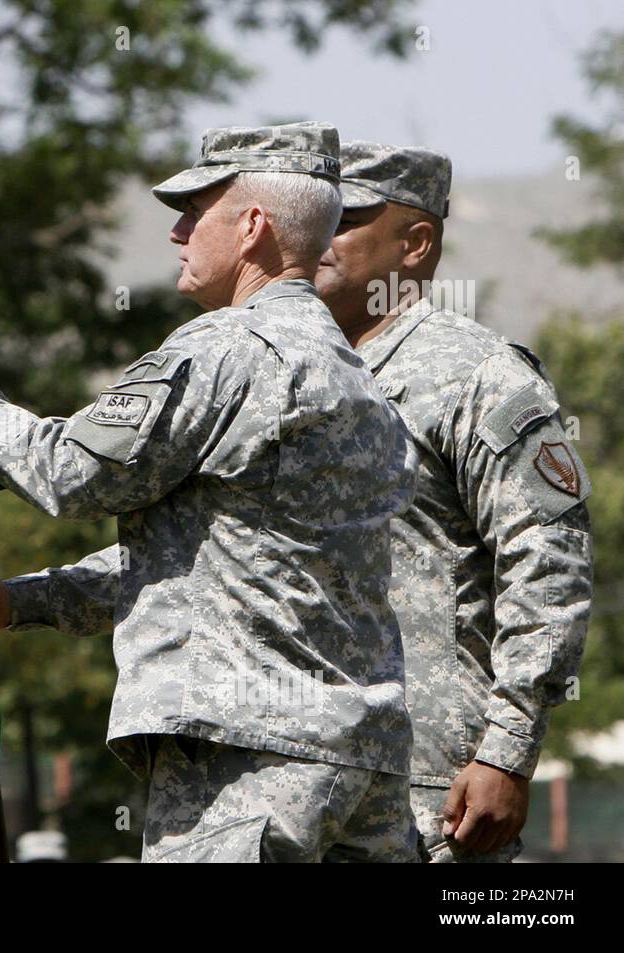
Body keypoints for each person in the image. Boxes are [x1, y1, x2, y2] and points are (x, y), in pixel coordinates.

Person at [0, 122, 422, 862]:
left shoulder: (228, 348)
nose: (177, 232)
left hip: (247, 755)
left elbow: (69, 473)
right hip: (363, 760)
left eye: (197, 210)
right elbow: (210, 559)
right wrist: (27, 600)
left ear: (253, 226)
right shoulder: (356, 373)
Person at [314, 140, 593, 861]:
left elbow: (549, 565)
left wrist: (507, 752)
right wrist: (25, 600)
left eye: (342, 219)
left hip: (429, 788)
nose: (315, 236)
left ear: (416, 243)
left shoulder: (480, 377)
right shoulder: (289, 373)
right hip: (298, 776)